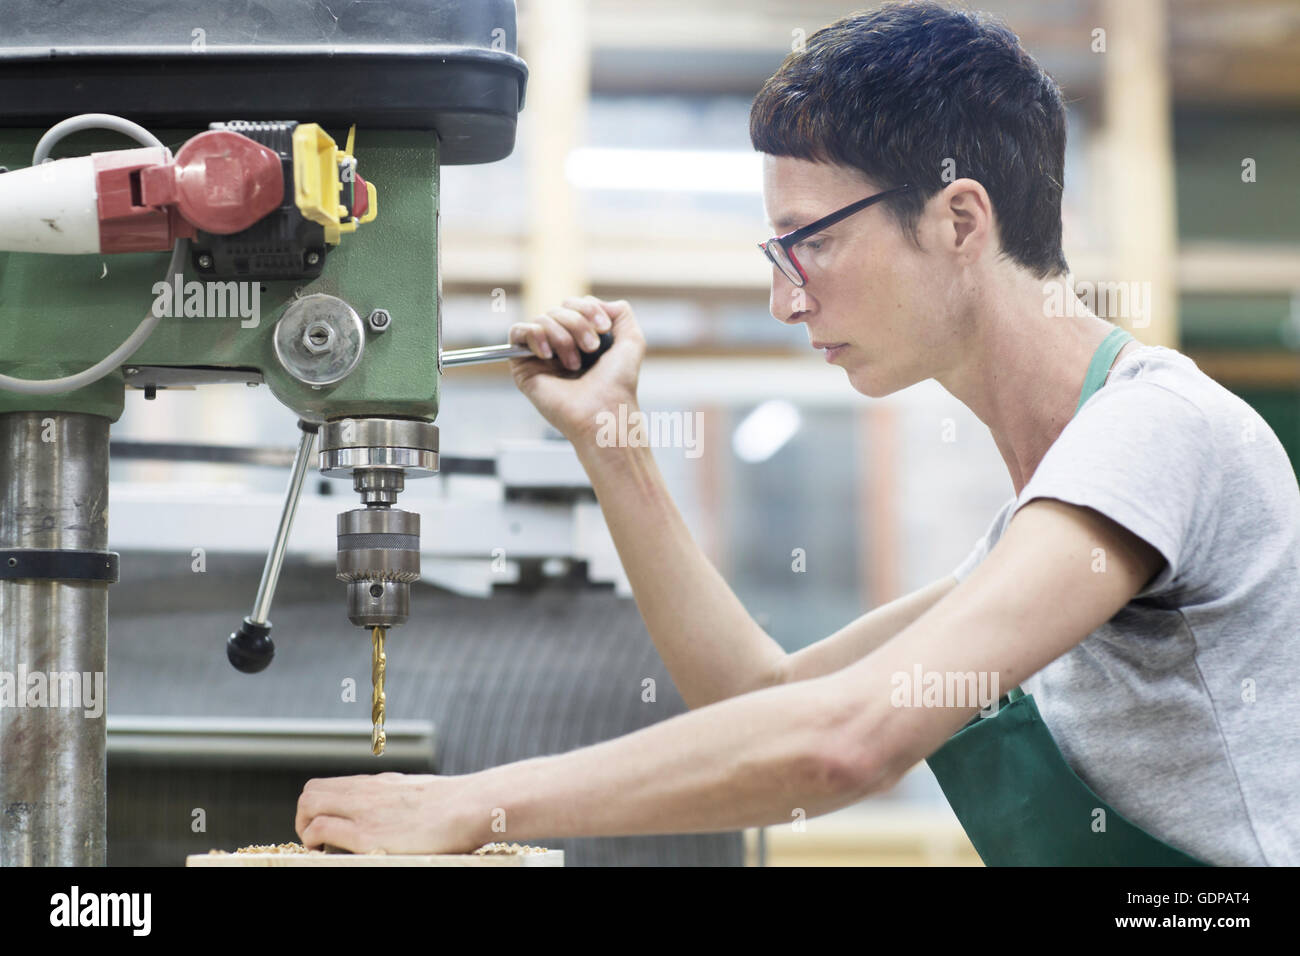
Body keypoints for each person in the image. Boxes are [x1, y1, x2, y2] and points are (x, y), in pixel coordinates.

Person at [296, 2, 1300, 865]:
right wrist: (613, 438)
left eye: (812, 242)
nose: (786, 300)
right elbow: (759, 694)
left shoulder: (1155, 432)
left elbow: (844, 743)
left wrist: (471, 804)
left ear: (959, 221)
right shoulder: (1039, 531)